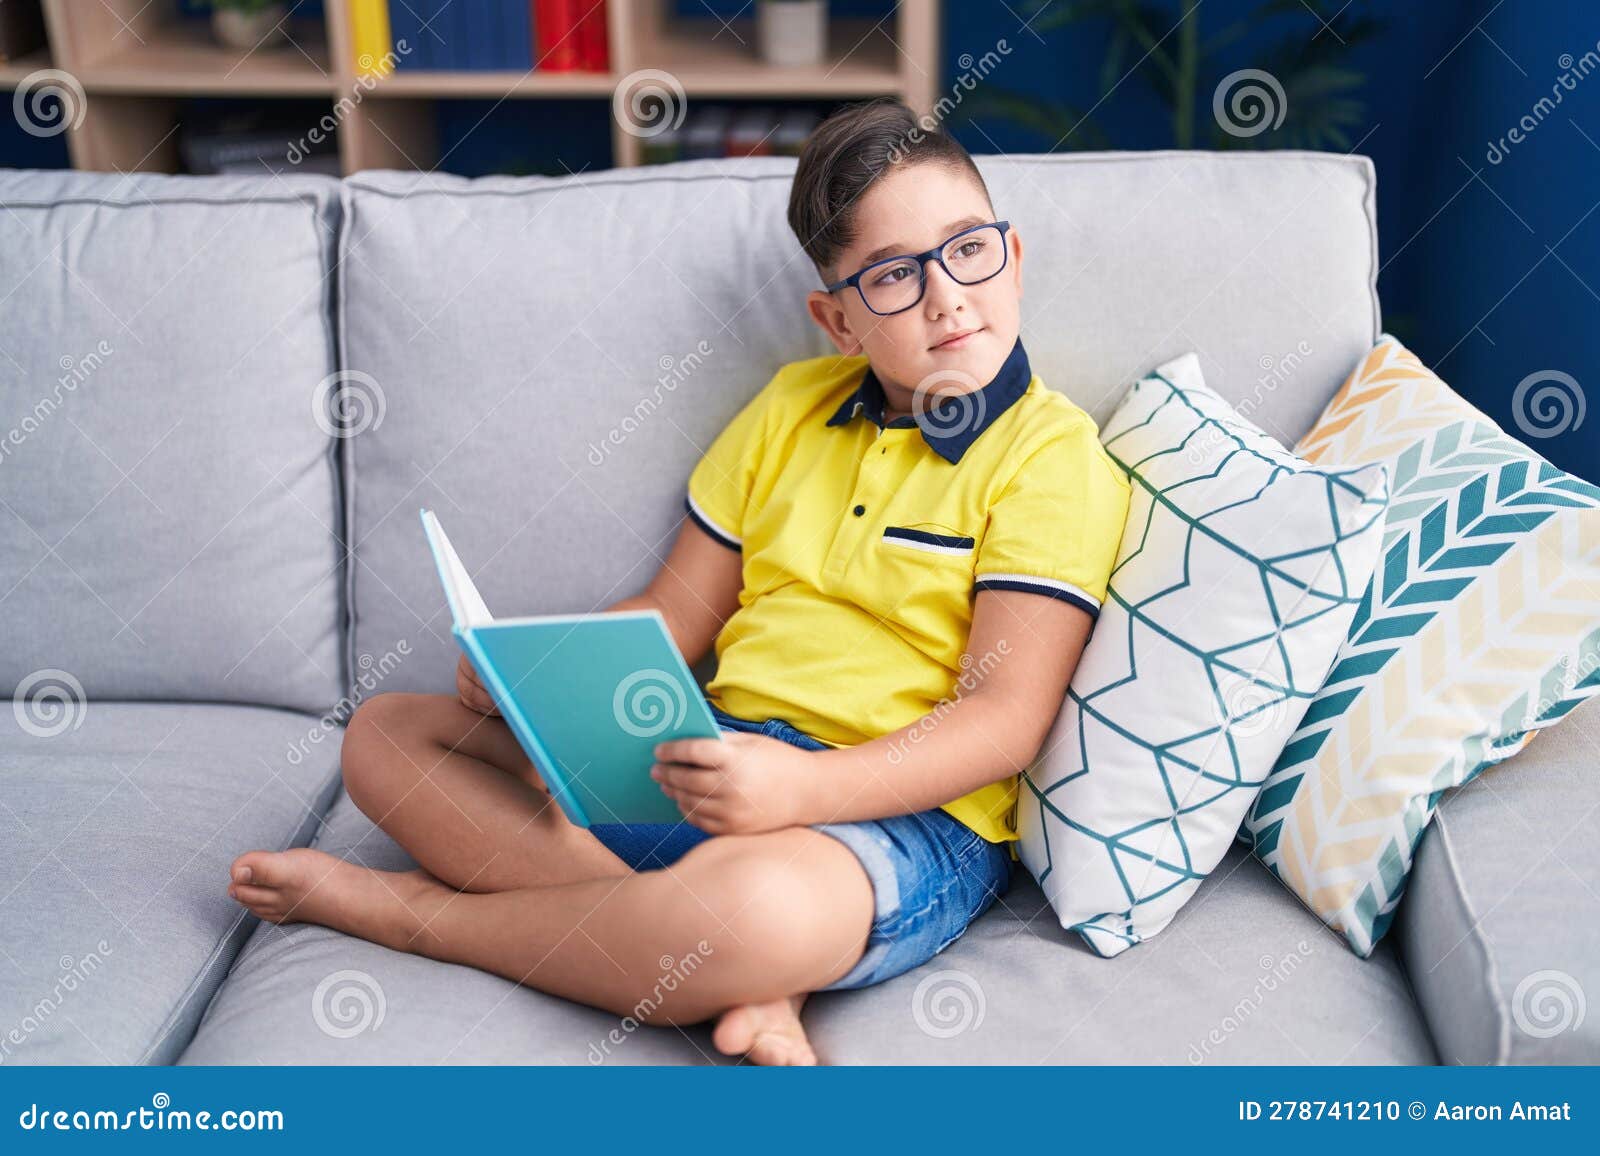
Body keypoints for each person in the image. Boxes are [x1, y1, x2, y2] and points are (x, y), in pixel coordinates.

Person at [227, 98, 1130, 1066]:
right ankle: (701, 963)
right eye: (896, 277)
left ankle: (420, 918)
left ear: (1014, 256)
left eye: (968, 250)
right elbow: (668, 619)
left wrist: (803, 789)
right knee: (385, 735)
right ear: (839, 321)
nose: (947, 296)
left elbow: (1003, 717)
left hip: (894, 819)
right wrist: (542, 676)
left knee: (755, 908)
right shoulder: (789, 410)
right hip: (712, 764)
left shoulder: (1050, 458)